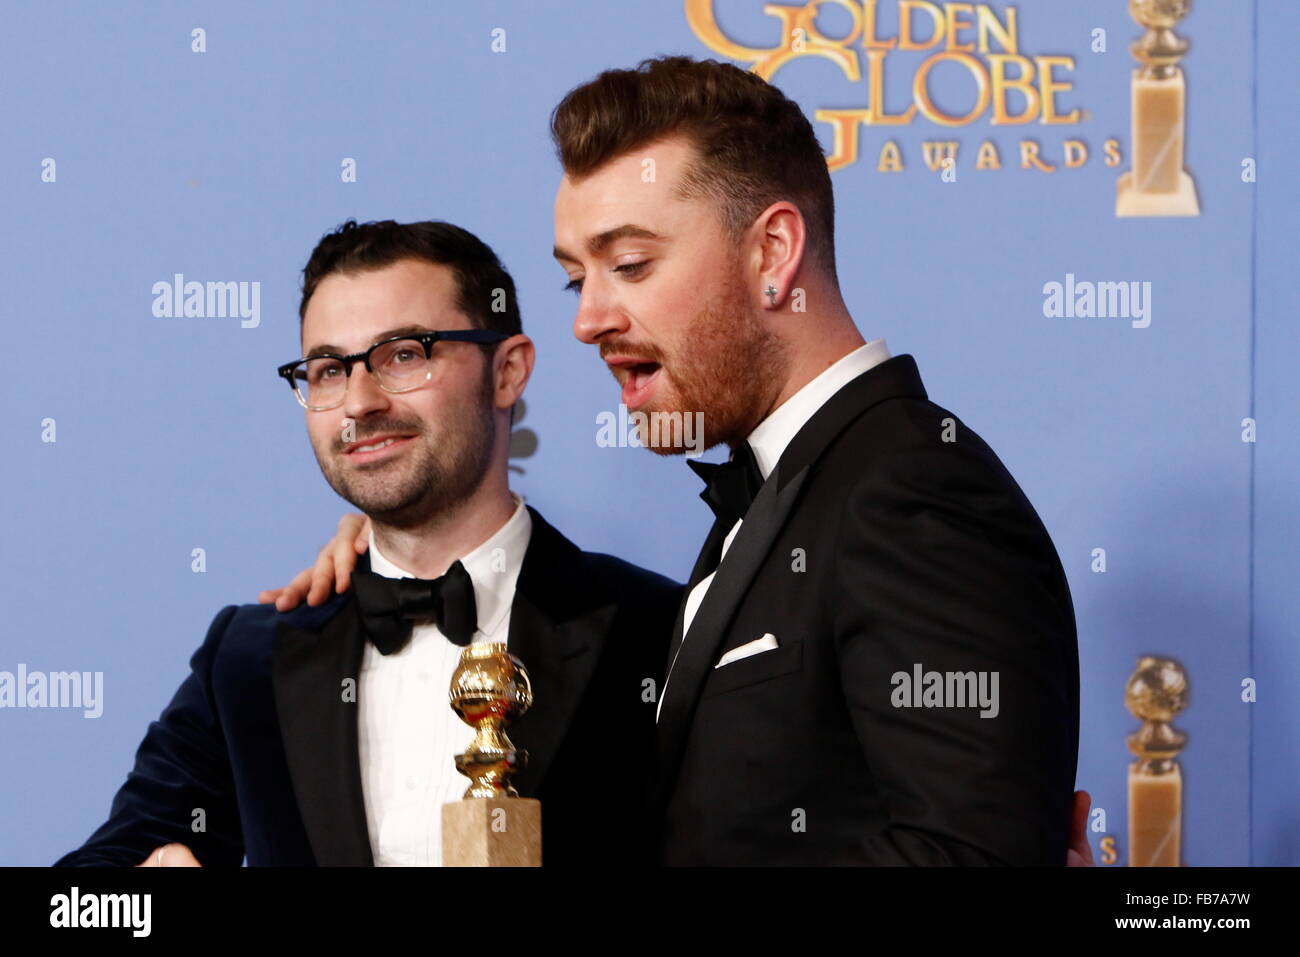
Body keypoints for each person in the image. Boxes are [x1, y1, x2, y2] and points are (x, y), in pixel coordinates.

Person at [271, 57, 1087, 867]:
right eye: (574, 280)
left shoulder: (912, 489)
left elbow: (968, 855)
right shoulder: (785, 500)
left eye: (629, 265)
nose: (588, 320)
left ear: (772, 252)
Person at [54, 219, 680, 867]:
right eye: (327, 369)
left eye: (404, 354)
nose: (358, 401)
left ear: (507, 371)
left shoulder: (660, 631)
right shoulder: (247, 659)